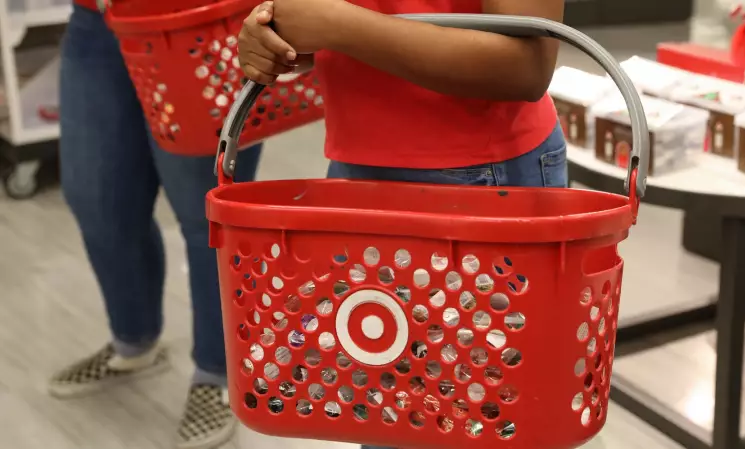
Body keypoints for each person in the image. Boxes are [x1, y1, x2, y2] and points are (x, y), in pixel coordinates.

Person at [238, 1, 565, 449]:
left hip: (478, 179)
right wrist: (281, 35)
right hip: (357, 175)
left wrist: (337, 25)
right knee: (389, 408)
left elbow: (527, 66)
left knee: (481, 417)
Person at [50, 2, 262, 448]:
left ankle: (218, 373)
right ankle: (134, 341)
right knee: (96, 197)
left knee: (208, 213)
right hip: (97, 20)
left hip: (200, 21)